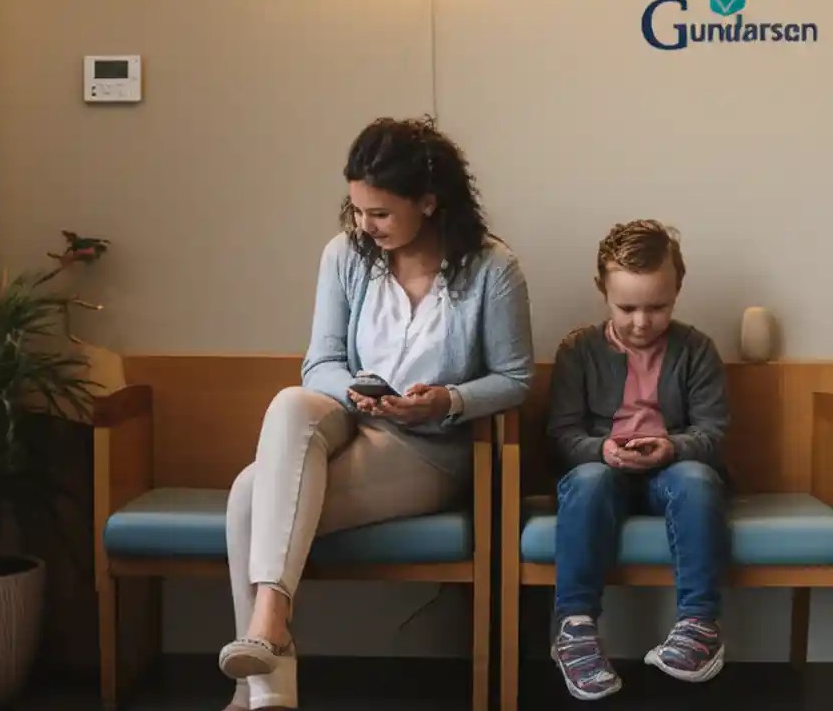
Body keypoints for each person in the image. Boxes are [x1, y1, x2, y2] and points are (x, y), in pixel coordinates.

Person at [217, 116, 535, 710]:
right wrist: (364, 395)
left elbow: (515, 379)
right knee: (290, 401)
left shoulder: (493, 268)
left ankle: (259, 690)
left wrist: (449, 399)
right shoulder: (344, 256)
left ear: (430, 202)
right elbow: (320, 364)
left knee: (246, 498)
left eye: (381, 213)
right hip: (349, 420)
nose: (365, 225)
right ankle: (270, 628)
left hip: (429, 447)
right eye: (358, 210)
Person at [546, 219, 730, 701]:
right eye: (627, 307)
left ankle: (699, 626)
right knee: (587, 481)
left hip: (671, 473)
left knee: (696, 478)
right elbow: (563, 433)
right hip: (602, 473)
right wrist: (601, 449)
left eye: (658, 307)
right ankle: (575, 627)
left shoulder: (696, 350)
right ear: (602, 291)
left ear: (677, 291)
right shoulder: (578, 350)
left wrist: (671, 447)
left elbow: (712, 433)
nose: (642, 322)